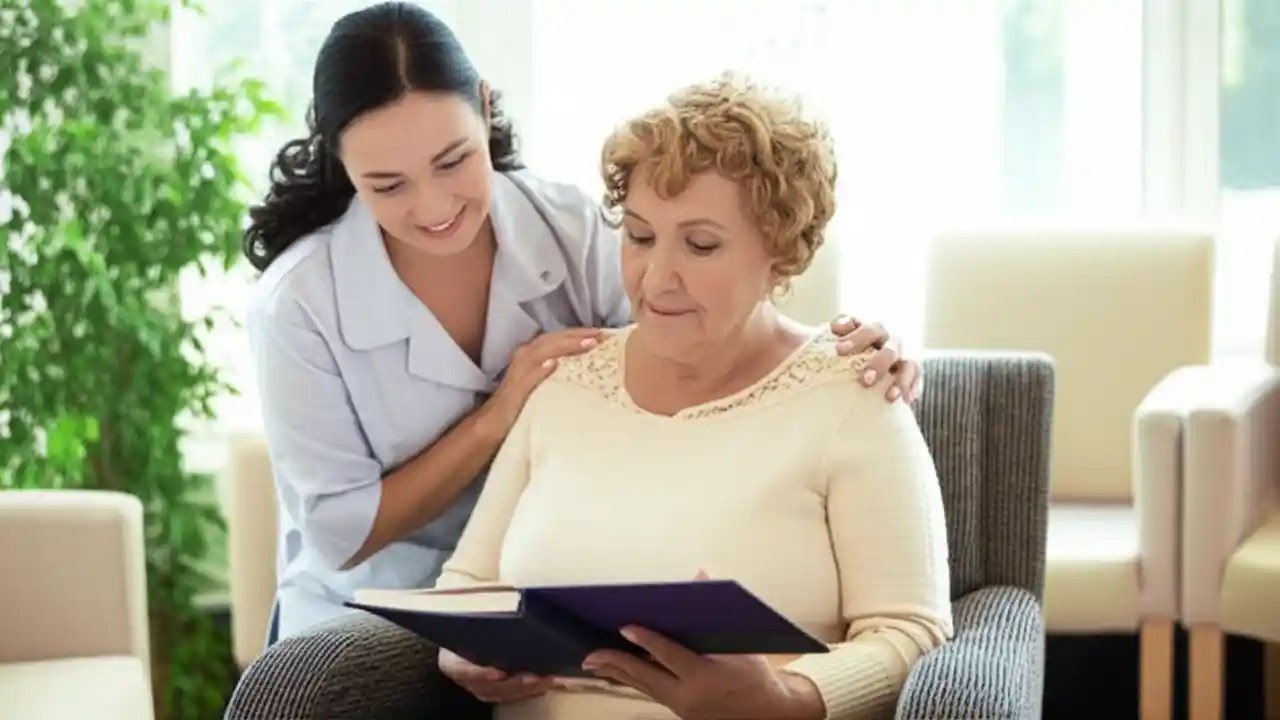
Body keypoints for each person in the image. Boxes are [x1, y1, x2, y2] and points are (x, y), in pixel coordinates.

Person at [244, 1, 923, 643]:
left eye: (454, 161)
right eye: (387, 185)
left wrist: (838, 353)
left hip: (544, 586)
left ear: (485, 107)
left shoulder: (567, 229)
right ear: (343, 163)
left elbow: (700, 329)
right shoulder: (298, 305)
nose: (434, 206)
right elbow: (341, 532)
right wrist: (498, 415)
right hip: (373, 609)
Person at [430, 72, 953, 720]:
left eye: (701, 245)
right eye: (640, 236)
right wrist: (461, 654)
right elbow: (467, 584)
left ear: (781, 251)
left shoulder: (855, 395)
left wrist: (785, 700)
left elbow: (910, 630)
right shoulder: (564, 385)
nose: (656, 279)